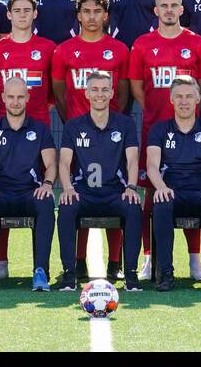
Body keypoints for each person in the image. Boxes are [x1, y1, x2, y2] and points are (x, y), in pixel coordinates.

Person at [128, 0, 201, 280]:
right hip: (155, 130)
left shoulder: (198, 43)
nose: (168, 10)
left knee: (193, 188)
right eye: (162, 5)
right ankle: (150, 258)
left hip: (191, 133)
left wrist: (187, 111)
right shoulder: (141, 44)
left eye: (173, 5)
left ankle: (194, 260)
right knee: (152, 195)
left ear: (181, 9)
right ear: (156, 10)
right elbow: (138, 89)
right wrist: (159, 111)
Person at [49, 0, 131, 278]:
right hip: (77, 136)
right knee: (75, 194)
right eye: (86, 11)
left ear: (106, 15)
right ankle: (78, 260)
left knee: (116, 192)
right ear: (79, 15)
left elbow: (123, 94)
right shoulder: (64, 50)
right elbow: (59, 92)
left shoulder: (119, 49)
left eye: (97, 11)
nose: (92, 16)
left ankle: (115, 263)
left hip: (112, 136)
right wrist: (74, 123)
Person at [0, 0, 56, 279]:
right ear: (9, 14)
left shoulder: (48, 48)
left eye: (28, 10)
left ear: (34, 14)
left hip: (37, 128)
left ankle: (40, 267)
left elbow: (52, 92)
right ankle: (1, 262)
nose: (23, 15)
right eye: (17, 10)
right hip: (4, 127)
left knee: (37, 192)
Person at [56, 70, 143, 292]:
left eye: (105, 89)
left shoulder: (125, 124)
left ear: (112, 92)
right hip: (84, 192)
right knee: (65, 206)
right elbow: (64, 162)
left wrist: (131, 187)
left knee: (133, 206)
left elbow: (132, 159)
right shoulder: (74, 126)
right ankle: (69, 273)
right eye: (94, 89)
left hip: (115, 192)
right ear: (86, 93)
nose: (100, 94)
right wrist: (67, 188)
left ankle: (131, 274)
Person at [0, 76, 57, 293]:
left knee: (46, 201)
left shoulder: (40, 129)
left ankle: (40, 271)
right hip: (0, 193)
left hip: (29, 193)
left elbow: (51, 163)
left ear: (28, 98)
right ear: (3, 98)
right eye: (11, 97)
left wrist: (47, 184)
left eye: (20, 97)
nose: (15, 101)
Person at [146, 77, 201, 291]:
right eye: (179, 96)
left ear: (198, 98)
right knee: (161, 204)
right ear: (171, 99)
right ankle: (166, 274)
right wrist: (161, 187)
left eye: (189, 96)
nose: (184, 101)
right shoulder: (159, 130)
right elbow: (152, 165)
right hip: (172, 191)